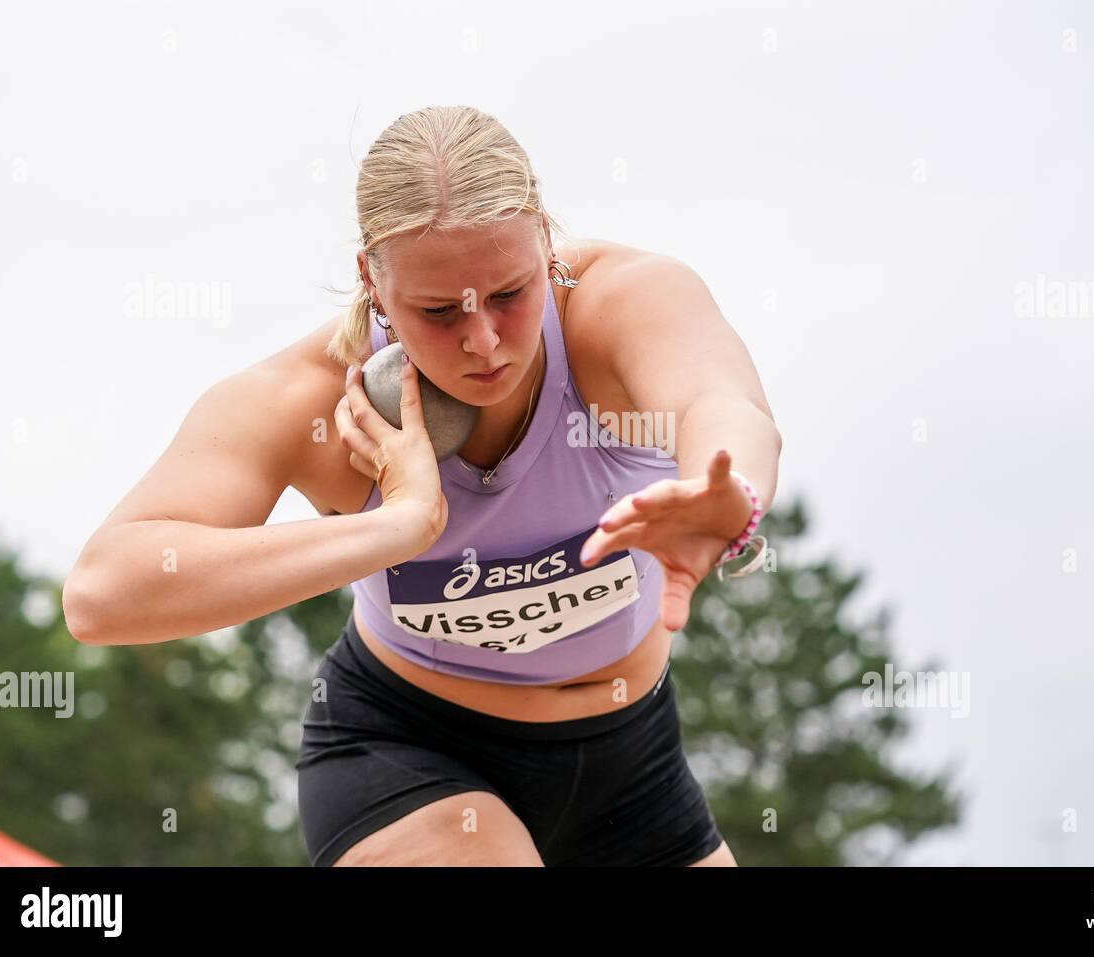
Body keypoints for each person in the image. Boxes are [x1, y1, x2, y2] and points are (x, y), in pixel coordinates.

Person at [62, 105, 782, 867]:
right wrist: (397, 525)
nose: (484, 341)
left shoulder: (622, 305)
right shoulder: (307, 401)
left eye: (510, 293)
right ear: (371, 280)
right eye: (438, 312)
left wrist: (725, 490)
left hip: (634, 764)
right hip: (409, 754)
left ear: (545, 238)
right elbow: (102, 593)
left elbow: (723, 406)